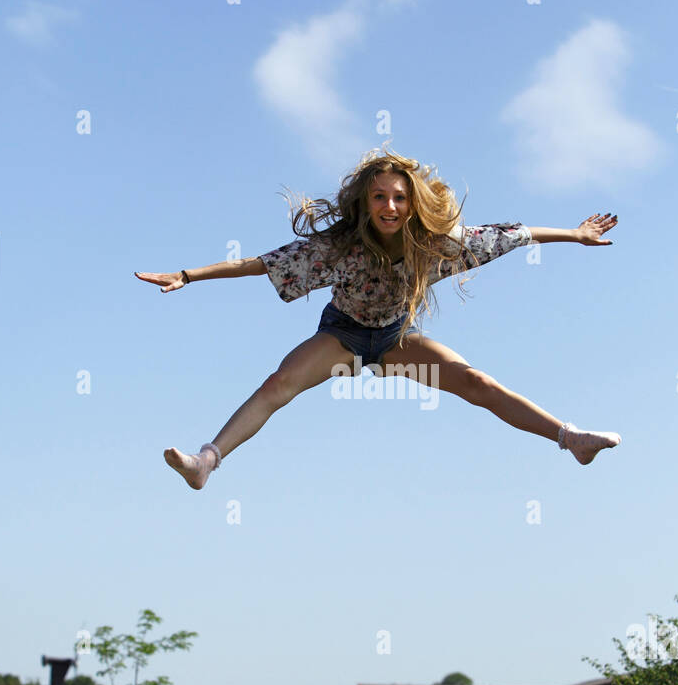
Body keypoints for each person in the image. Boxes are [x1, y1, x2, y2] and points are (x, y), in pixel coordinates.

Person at [136, 150, 621, 489]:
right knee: (278, 384)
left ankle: (570, 438)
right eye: (379, 197)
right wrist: (187, 275)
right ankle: (206, 462)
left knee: (477, 382)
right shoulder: (338, 247)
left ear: (413, 204)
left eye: (399, 198)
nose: (390, 206)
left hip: (395, 340)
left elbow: (514, 234)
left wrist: (575, 235)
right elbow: (261, 263)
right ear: (365, 204)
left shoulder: (436, 247)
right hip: (342, 337)